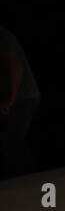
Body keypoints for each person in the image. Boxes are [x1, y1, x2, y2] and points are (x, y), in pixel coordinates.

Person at [0, 25, 40, 178]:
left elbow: (15, 64)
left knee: (12, 140)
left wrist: (11, 98)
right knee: (12, 140)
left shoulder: (2, 35)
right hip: (14, 98)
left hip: (24, 97)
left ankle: (27, 178)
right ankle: (23, 177)